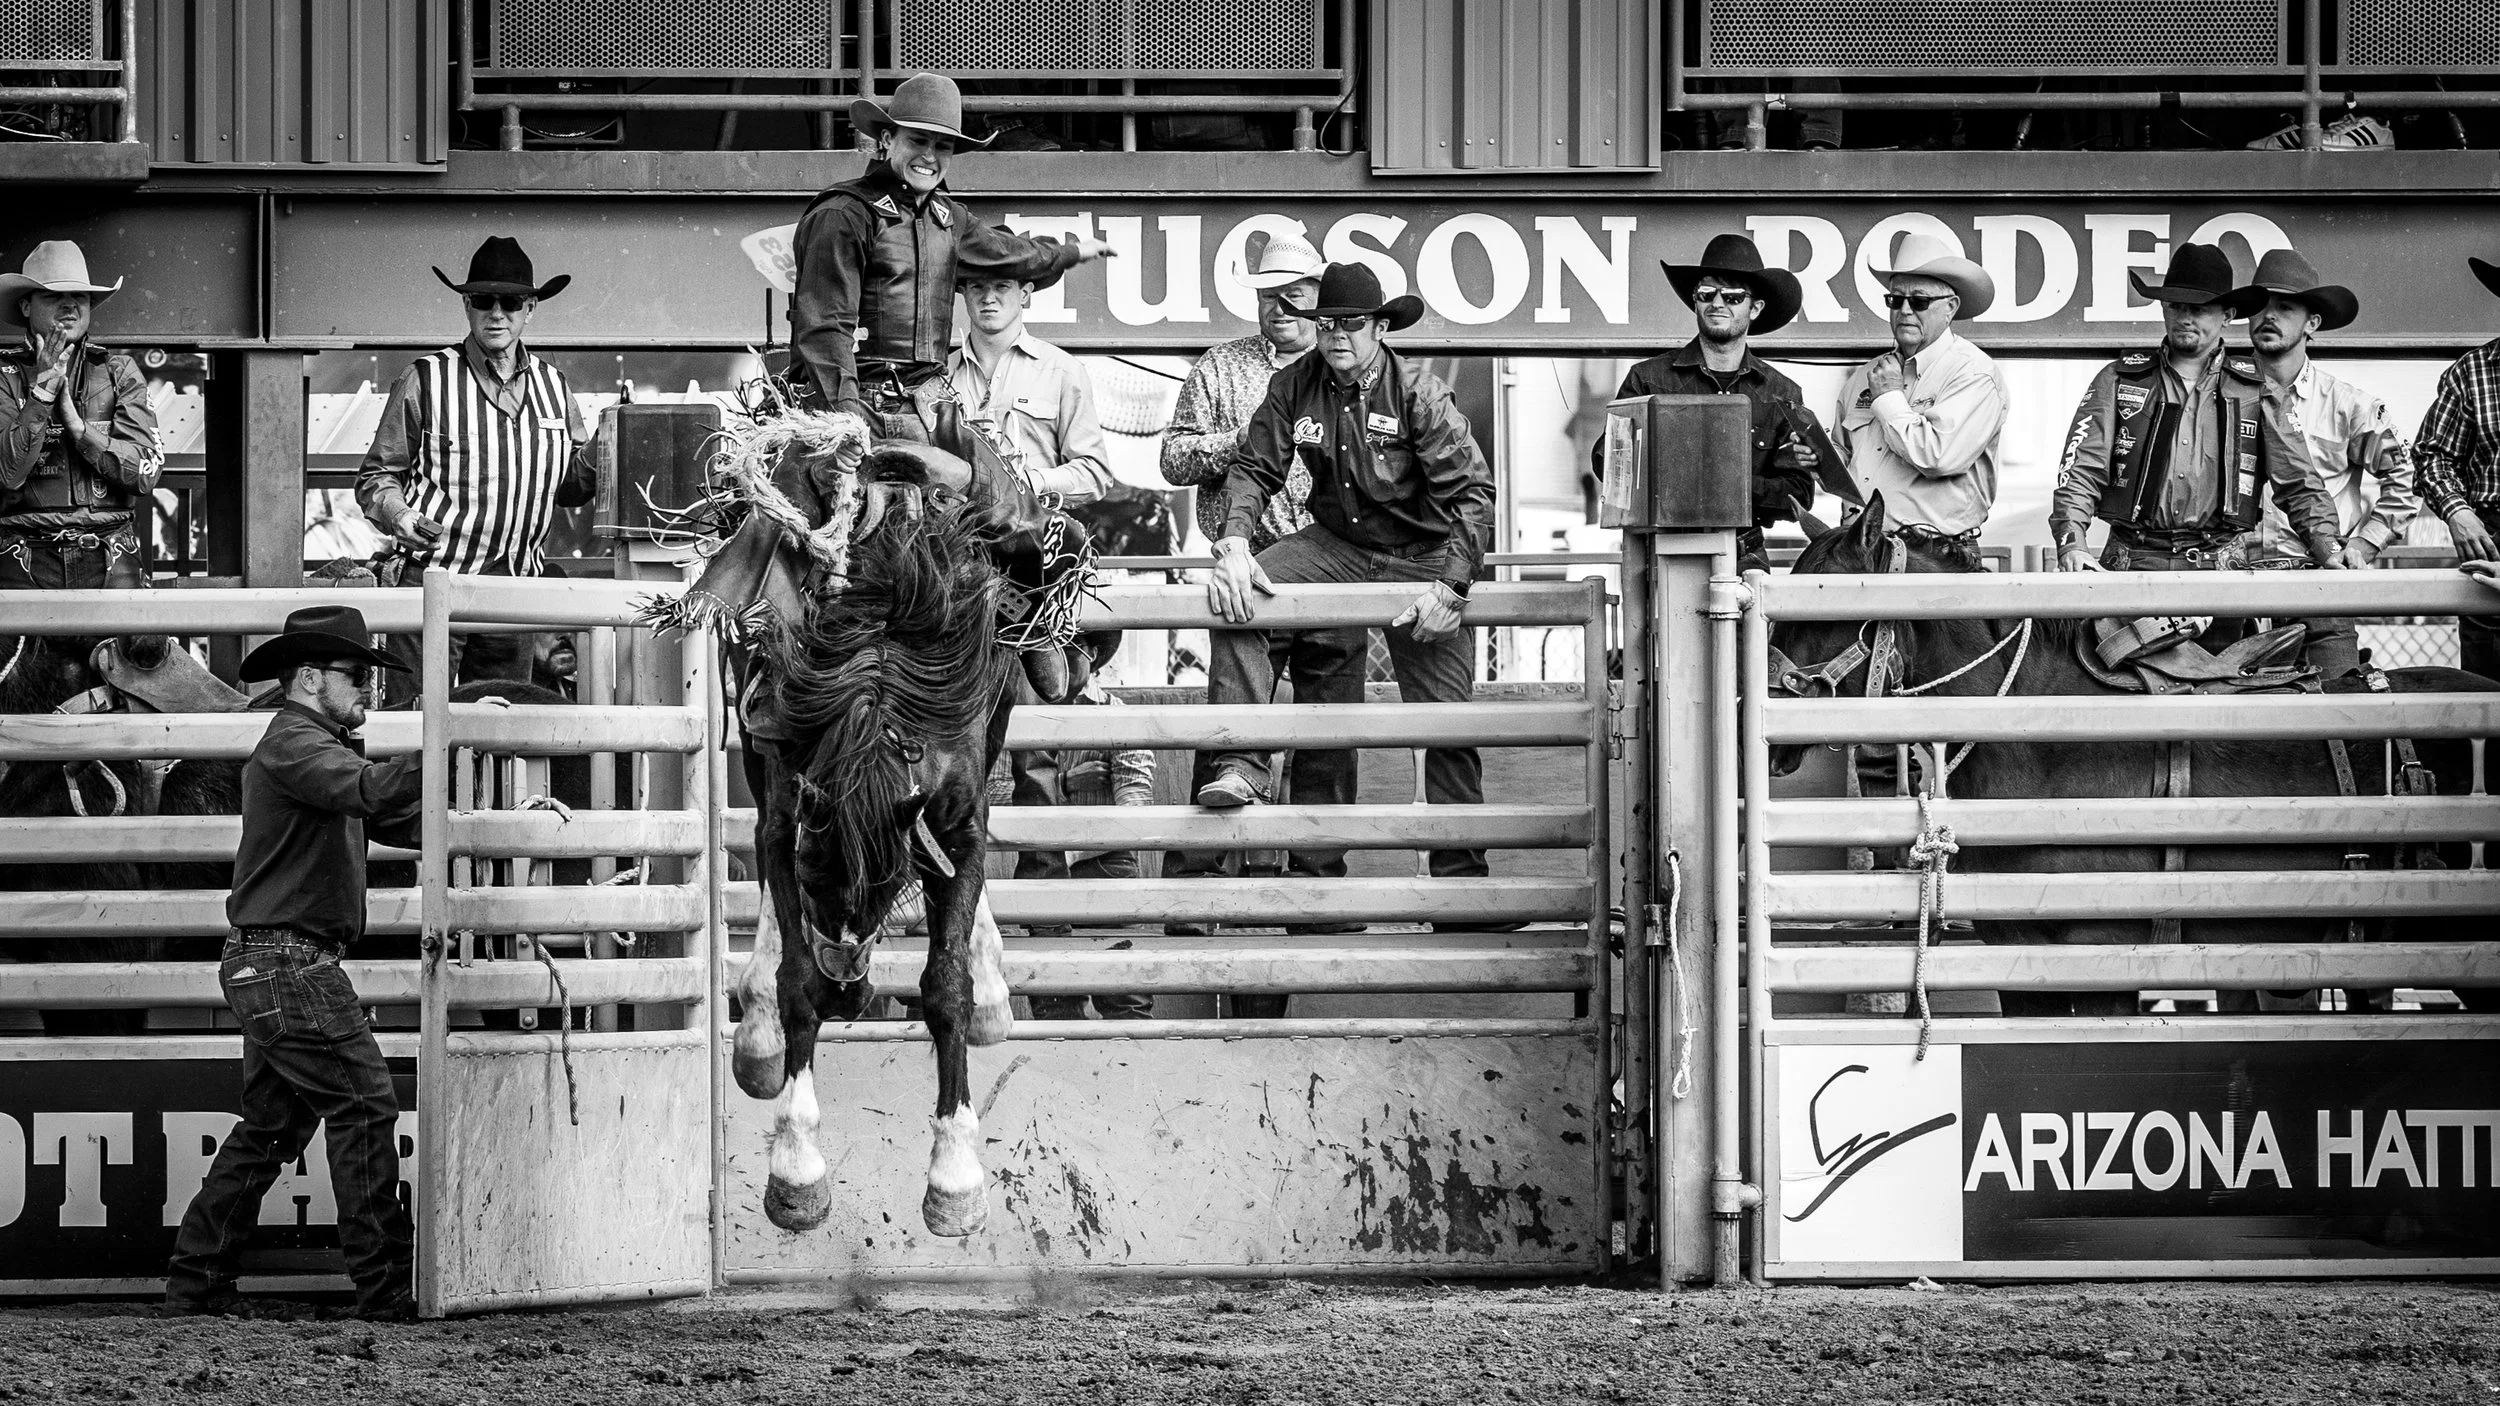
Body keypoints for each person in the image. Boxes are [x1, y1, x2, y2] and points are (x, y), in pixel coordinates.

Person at [1200, 262, 1504, 940]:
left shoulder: (1420, 394)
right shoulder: (1293, 384)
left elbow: (1473, 496)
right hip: (1337, 544)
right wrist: (1235, 542)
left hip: (1425, 555)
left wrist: (1452, 586)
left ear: (1379, 327)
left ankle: (1462, 892)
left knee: (1445, 721)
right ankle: (1242, 764)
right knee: (1236, 598)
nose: (1337, 334)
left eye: (1352, 323)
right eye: (1327, 322)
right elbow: (1254, 467)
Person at [165, 606, 423, 1321]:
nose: (365, 689)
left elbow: (385, 809)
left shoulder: (308, 750)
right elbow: (374, 794)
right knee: (366, 1105)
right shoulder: (297, 745)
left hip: (272, 963)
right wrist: (454, 746)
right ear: (310, 677)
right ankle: (385, 1287)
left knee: (271, 1130)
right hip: (289, 964)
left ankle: (198, 1280)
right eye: (355, 675)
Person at [1158, 232, 1368, 940]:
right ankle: (1194, 887)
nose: (1279, 305)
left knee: (1330, 729)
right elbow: (1173, 456)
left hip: (1336, 565)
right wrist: (1243, 441)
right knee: (1228, 720)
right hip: (1246, 566)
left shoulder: (1349, 370)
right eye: (1267, 292)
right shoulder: (1220, 367)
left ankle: (1319, 888)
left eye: (1293, 292)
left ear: (1319, 294)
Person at [789, 72, 1115, 441]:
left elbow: (1009, 254)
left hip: (929, 404)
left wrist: (1072, 252)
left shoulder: (948, 218)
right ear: (886, 139)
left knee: (1000, 493)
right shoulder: (844, 214)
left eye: (943, 146)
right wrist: (844, 424)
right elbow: (824, 329)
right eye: (918, 140)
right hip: (857, 402)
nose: (929, 156)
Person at [357, 236, 598, 705]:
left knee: (501, 729)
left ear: (530, 309)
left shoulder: (555, 385)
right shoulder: (426, 377)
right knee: (418, 724)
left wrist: (610, 444)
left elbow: (569, 487)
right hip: (433, 580)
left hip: (513, 591)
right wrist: (400, 517)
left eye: (510, 302)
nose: (497, 313)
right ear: (467, 306)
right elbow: (376, 477)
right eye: (483, 301)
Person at [946, 264, 1113, 941]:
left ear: (1027, 296)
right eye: (978, 285)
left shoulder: (1061, 371)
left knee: (1035, 753)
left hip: (1027, 579)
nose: (989, 296)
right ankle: (953, 916)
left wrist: (1027, 483)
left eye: (1004, 286)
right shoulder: (934, 375)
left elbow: (1097, 471)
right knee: (947, 757)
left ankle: (1046, 923)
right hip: (951, 582)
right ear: (961, 295)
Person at [2050, 243, 2343, 611]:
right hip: (2131, 560)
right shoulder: (2119, 379)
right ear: (2163, 309)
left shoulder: (2258, 389)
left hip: (2221, 566)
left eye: (2199, 308)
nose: (2185, 317)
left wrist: (2328, 547)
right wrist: (2072, 541)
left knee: (2228, 668)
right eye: (2176, 306)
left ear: (2227, 314)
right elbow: (2081, 472)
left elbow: (2298, 482)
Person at [1599, 232, 1845, 571]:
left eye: (1732, 295)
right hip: (1662, 556)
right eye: (1707, 293)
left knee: (1755, 624)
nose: (1718, 303)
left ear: (1755, 307)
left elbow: (1796, 496)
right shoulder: (1647, 379)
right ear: (1695, 301)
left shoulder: (1782, 393)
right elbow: (1610, 466)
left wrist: (1717, 485)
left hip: (1745, 559)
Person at [2231, 249, 2417, 678]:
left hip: (2317, 582)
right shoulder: (2218, 397)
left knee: (2340, 722)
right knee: (2226, 734)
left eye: (2286, 306)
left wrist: (2364, 544)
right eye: (2260, 305)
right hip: (2232, 591)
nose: (2268, 316)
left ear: (2312, 323)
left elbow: (2404, 479)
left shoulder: (2350, 405)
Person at [0, 240, 162, 591]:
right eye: (54, 296)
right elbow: (7, 472)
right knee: (9, 647)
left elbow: (145, 473)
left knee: (147, 645)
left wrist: (77, 427)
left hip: (111, 548)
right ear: (26, 306)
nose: (70, 305)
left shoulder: (121, 371)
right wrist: (42, 396)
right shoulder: (3, 375)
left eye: (80, 297)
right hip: (22, 550)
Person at [1832, 233, 2008, 546]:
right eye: (1895, 300)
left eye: (1919, 301)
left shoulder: (1973, 372)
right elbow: (1843, 455)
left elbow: (1938, 457)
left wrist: (1888, 399)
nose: (1905, 310)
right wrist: (1817, 458)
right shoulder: (1864, 375)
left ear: (1950, 307)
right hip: (1859, 546)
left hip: (1936, 552)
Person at [1025, 633, 1156, 1022]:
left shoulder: (1118, 717)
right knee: (1055, 1007)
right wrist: (1065, 783)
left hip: (1103, 864)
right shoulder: (1018, 717)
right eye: (1050, 648)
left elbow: (1135, 803)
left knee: (1125, 1000)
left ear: (1093, 654)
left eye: (1069, 647)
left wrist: (1051, 790)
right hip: (1045, 870)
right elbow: (992, 798)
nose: (1057, 658)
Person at [2415, 253, 2500, 679]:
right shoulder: (2472, 372)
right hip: (2490, 541)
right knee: (2486, 696)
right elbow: (2432, 455)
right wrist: (2459, 512)